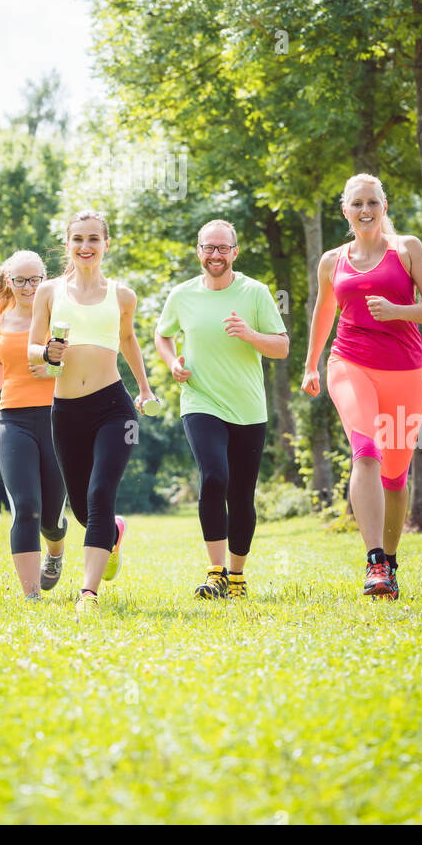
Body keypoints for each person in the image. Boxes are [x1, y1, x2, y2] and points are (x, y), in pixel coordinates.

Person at [301, 173, 422, 599]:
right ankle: (374, 561)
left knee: (395, 476)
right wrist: (311, 365)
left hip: (404, 372)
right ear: (345, 210)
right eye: (357, 204)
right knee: (366, 452)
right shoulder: (332, 260)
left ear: (384, 207)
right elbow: (323, 313)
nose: (365, 210)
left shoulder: (407, 249)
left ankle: (391, 565)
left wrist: (398, 310)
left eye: (372, 203)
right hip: (349, 364)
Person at [29, 210, 158, 615]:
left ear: (106, 244)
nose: (85, 247)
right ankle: (113, 532)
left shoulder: (123, 295)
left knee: (101, 493)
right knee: (85, 509)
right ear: (67, 243)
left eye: (93, 239)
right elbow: (31, 349)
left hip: (113, 408)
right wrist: (46, 351)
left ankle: (88, 593)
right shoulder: (49, 292)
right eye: (78, 239)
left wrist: (145, 388)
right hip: (66, 411)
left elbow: (128, 340)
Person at [155, 219, 289, 601]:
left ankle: (237, 576)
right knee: (214, 477)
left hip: (248, 408)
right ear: (198, 251)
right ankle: (215, 574)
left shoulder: (255, 293)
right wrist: (172, 363)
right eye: (208, 247)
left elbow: (281, 347)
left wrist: (251, 334)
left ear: (235, 252)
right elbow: (162, 334)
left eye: (223, 248)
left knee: (242, 494)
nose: (215, 254)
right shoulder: (182, 295)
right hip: (200, 401)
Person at [0, 250, 67, 603]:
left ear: (46, 279)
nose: (28, 287)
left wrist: (54, 367)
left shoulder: (60, 316)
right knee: (26, 506)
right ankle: (32, 596)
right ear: (8, 281)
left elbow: (83, 360)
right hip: (12, 418)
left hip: (58, 417)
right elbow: (1, 363)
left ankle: (55, 552)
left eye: (35, 280)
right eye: (21, 280)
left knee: (51, 518)